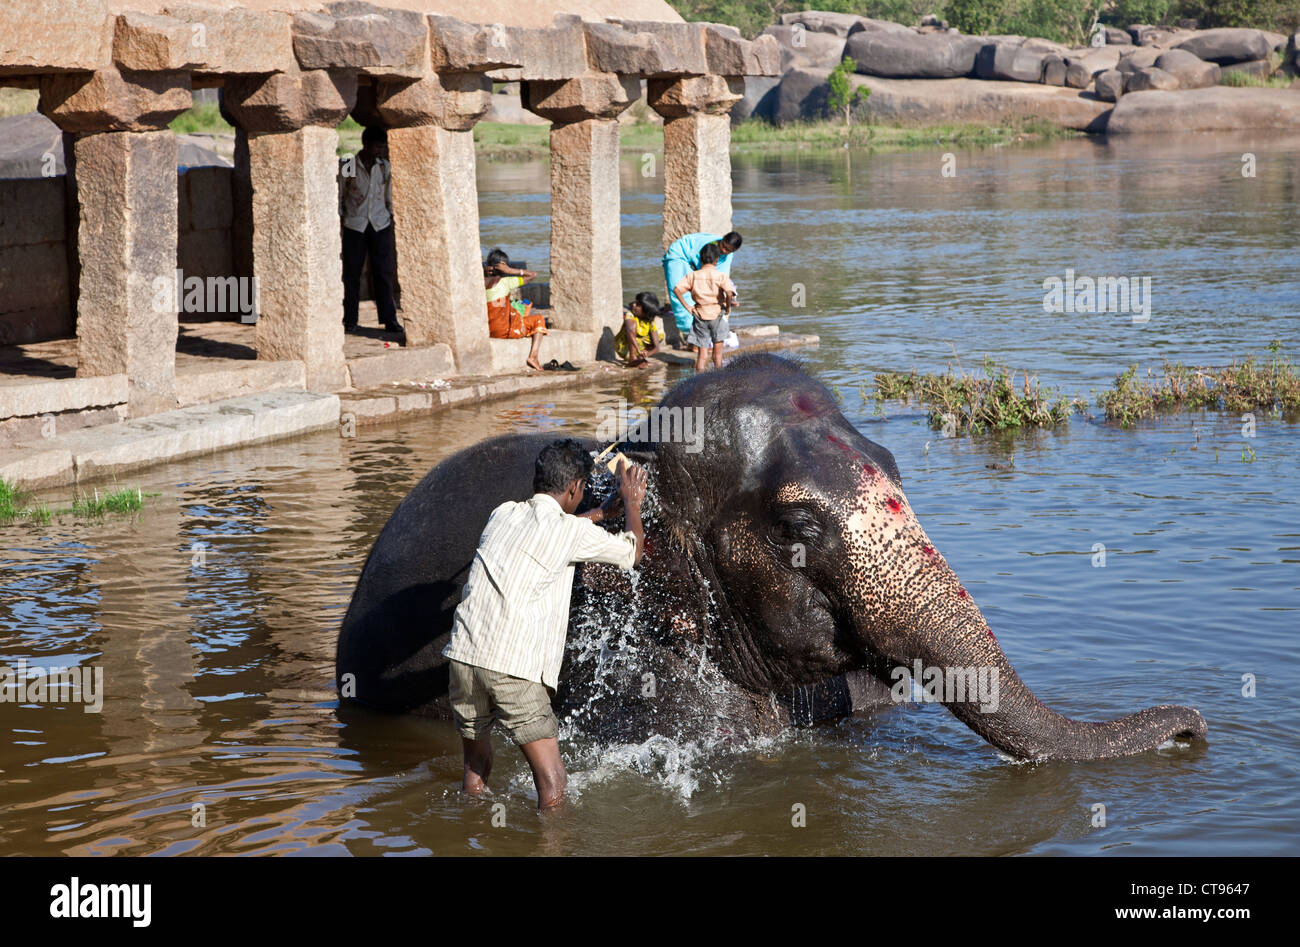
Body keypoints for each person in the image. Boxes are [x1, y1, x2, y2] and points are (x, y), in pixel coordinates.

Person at [442, 440, 647, 809]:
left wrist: (600, 513)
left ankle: (470, 830)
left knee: (475, 766)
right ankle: (552, 845)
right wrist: (632, 503)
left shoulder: (502, 513)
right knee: (553, 781)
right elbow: (632, 553)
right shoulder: (570, 533)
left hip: (464, 655)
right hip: (512, 666)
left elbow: (547, 532)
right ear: (574, 489)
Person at [340, 126, 402, 335]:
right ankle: (350, 321)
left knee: (383, 273)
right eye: (377, 147)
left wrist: (391, 217)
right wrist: (341, 216)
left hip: (379, 224)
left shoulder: (384, 167)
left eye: (383, 147)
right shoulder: (349, 164)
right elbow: (340, 190)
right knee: (352, 275)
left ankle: (389, 319)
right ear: (365, 145)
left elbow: (389, 196)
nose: (380, 151)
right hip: (354, 225)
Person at [662, 230, 742, 348]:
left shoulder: (727, 256)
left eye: (728, 250)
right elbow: (704, 275)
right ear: (723, 239)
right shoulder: (709, 246)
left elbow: (720, 277)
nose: (724, 251)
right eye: (723, 247)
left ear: (733, 251)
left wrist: (727, 298)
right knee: (681, 293)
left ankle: (694, 339)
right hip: (679, 255)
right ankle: (691, 338)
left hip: (693, 264)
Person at [674, 242, 738, 373]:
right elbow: (730, 293)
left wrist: (688, 307)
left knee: (702, 356)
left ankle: (699, 382)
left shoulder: (693, 275)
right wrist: (728, 308)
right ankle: (719, 380)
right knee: (717, 355)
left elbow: (677, 290)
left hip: (699, 315)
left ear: (701, 258)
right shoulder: (720, 276)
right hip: (717, 315)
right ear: (716, 260)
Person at [484, 247, 548, 371]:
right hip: (504, 332)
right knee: (538, 319)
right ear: (503, 267)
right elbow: (533, 275)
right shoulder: (506, 282)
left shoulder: (480, 281)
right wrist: (510, 270)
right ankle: (533, 356)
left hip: (489, 330)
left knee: (513, 311)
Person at [614, 292, 665, 368]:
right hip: (624, 347)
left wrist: (647, 353)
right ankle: (632, 358)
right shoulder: (630, 314)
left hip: (639, 347)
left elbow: (657, 348)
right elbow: (630, 331)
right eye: (635, 302)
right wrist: (638, 350)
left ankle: (639, 357)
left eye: (637, 305)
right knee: (632, 325)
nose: (633, 304)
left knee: (660, 334)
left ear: (645, 311)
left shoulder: (650, 321)